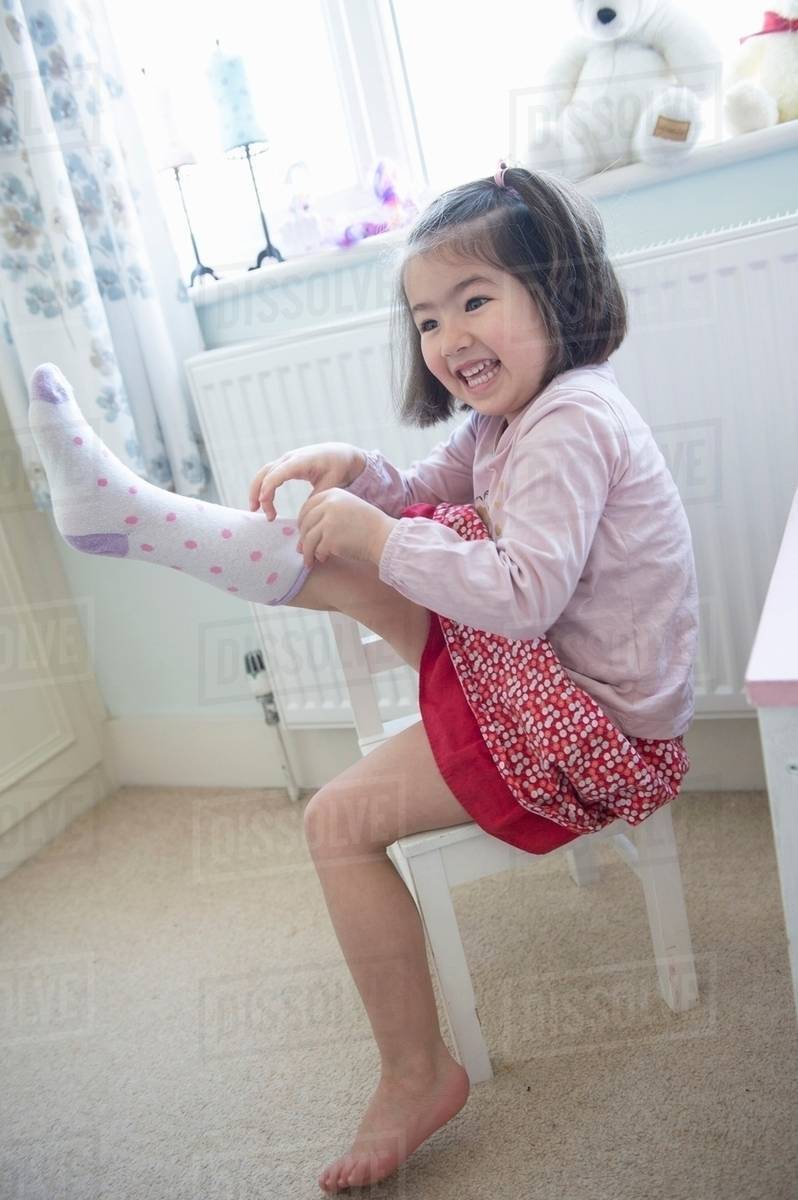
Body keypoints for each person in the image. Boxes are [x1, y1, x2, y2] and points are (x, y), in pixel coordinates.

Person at [27, 162, 699, 1194]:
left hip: (599, 741)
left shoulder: (570, 424)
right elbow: (433, 496)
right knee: (385, 539)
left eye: (475, 301)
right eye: (429, 319)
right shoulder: (519, 418)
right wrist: (359, 471)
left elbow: (518, 592)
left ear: (555, 290)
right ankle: (142, 520)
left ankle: (416, 1073)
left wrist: (381, 537)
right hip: (563, 691)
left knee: (334, 819)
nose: (450, 338)